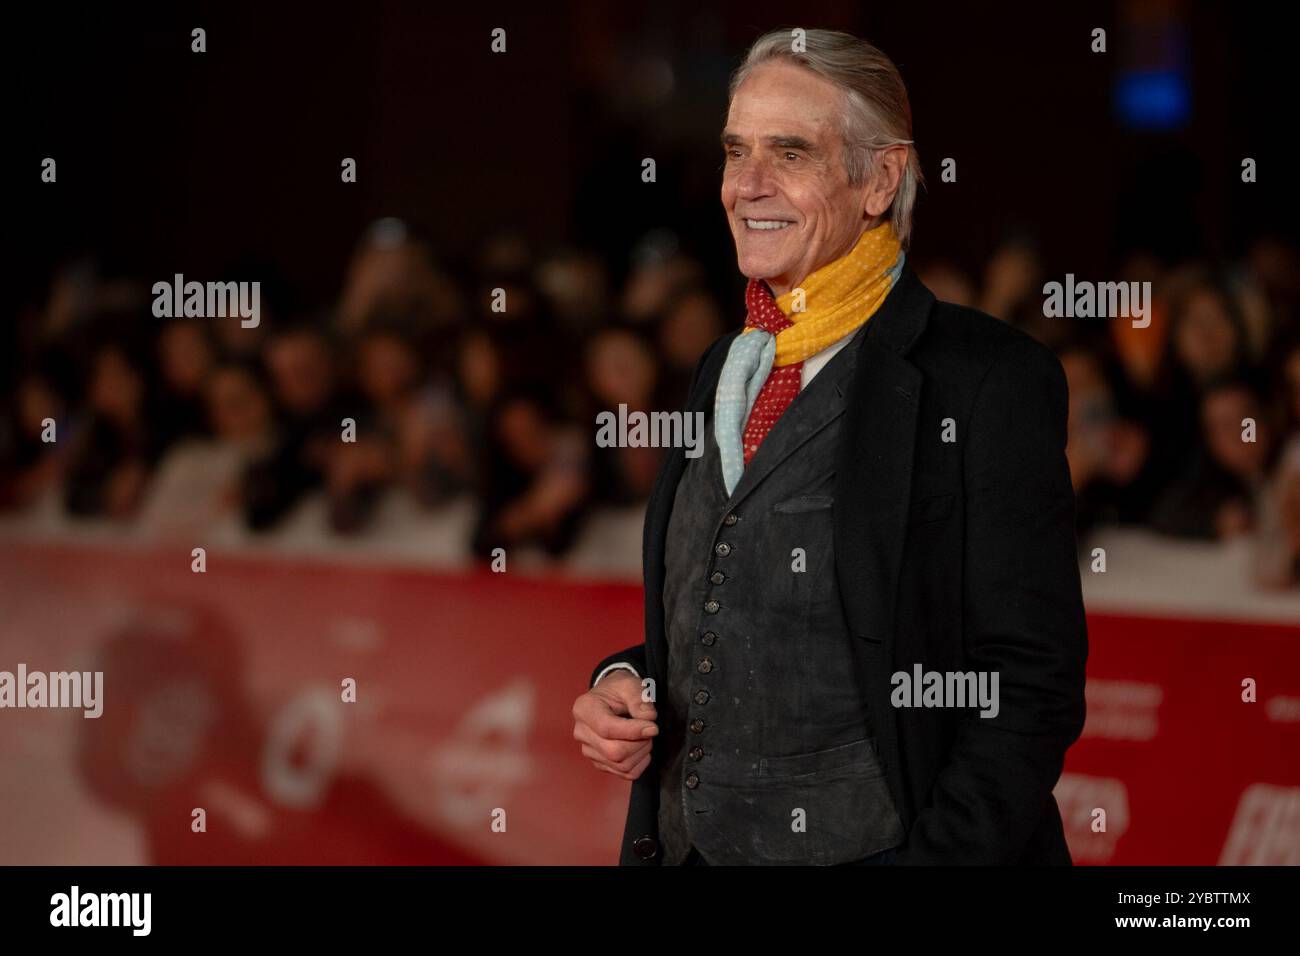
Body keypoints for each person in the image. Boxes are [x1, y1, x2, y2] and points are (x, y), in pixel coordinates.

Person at [571, 28, 1087, 865]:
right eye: (737, 150)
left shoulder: (985, 380)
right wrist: (626, 684)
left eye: (791, 153)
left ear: (879, 178)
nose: (748, 185)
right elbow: (724, 613)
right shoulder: (724, 364)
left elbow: (1027, 684)